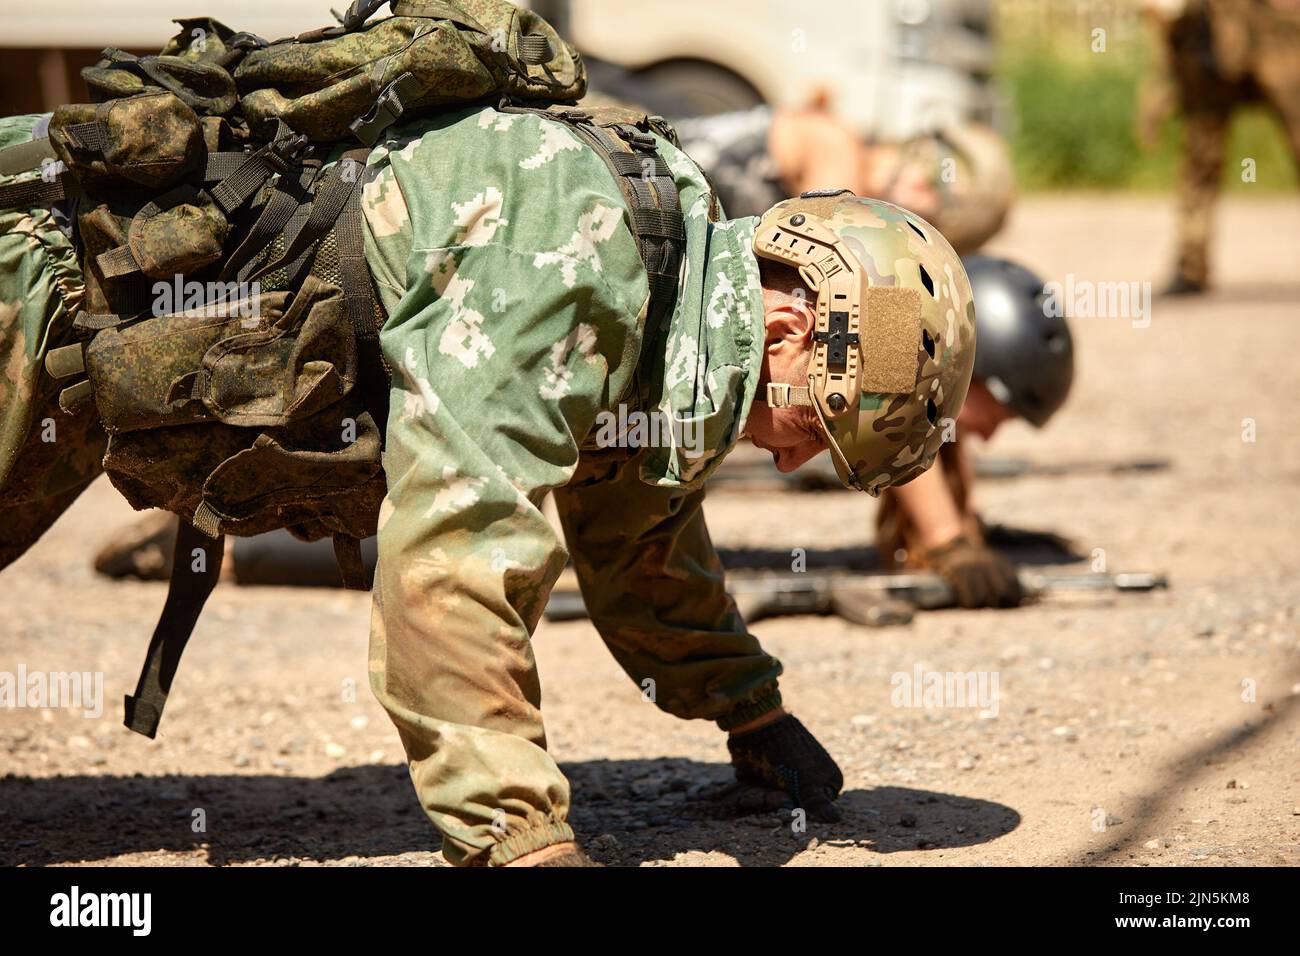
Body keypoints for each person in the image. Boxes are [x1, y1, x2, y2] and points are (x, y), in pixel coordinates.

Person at [1, 88, 976, 864]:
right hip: (44, 282)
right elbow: (451, 564)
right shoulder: (577, 258)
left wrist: (749, 711)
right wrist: (523, 836)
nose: (795, 456)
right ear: (784, 326)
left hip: (85, 341)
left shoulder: (668, 286)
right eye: (816, 423)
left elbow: (638, 534)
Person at [875, 255, 1074, 608]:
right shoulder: (883, 302)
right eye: (997, 416)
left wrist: (965, 525)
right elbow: (889, 407)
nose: (988, 437)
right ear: (970, 362)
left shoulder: (916, 308)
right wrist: (947, 541)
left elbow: (926, 428)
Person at [671, 103, 1015, 254]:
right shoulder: (838, 146)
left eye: (942, 204)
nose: (922, 185)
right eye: (936, 168)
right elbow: (816, 253)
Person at [1137, 0, 1300, 294]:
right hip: (1205, 35)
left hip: (1275, 28)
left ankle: (1191, 264)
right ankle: (1191, 264)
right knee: (1201, 151)